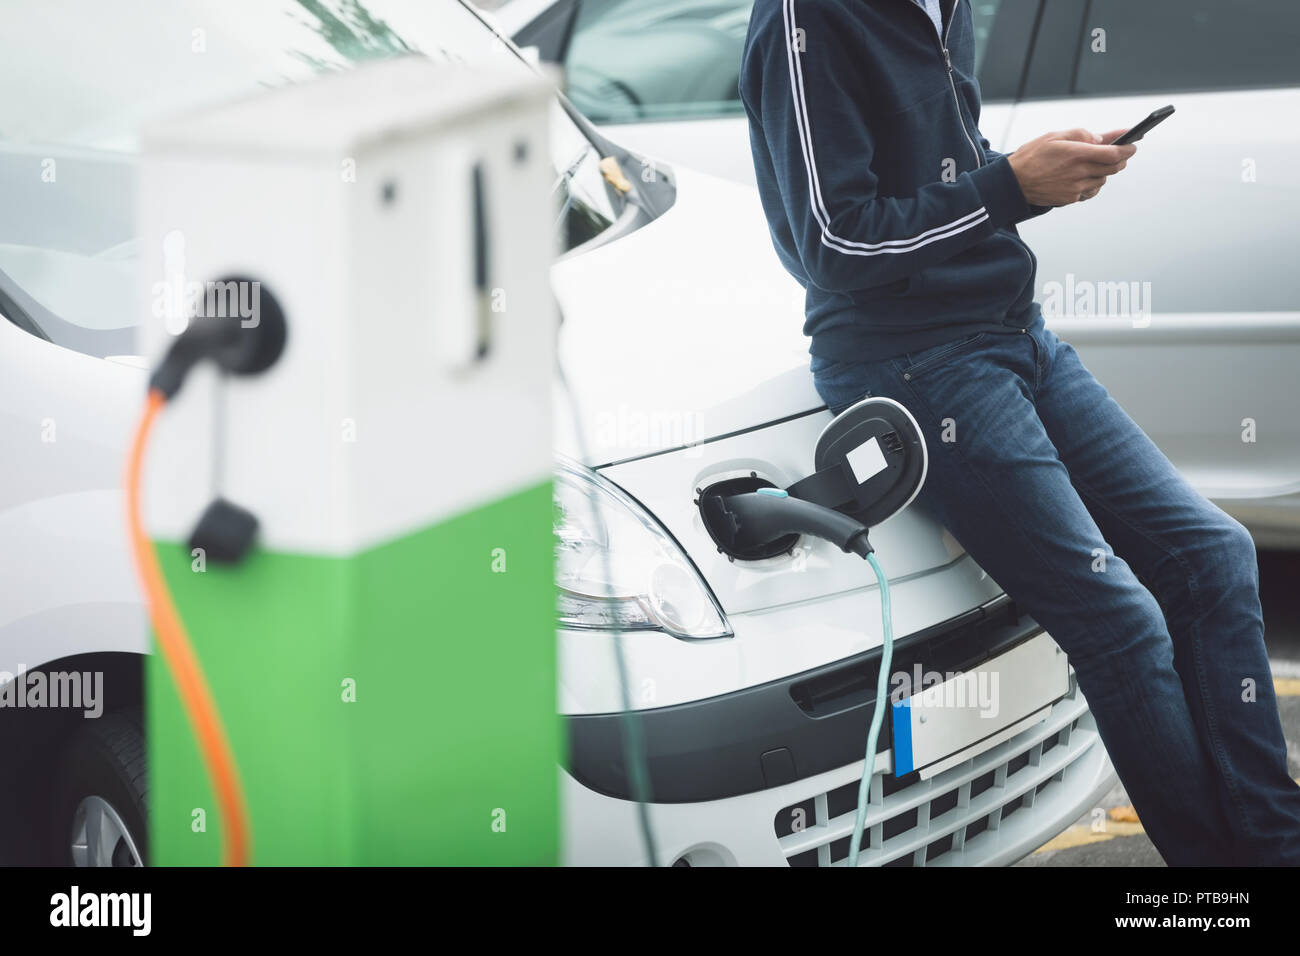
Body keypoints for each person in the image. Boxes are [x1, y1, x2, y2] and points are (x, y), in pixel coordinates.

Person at [740, 0, 1300, 865]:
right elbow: (835, 242)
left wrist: (1037, 174)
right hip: (914, 362)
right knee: (1120, 620)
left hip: (1014, 329)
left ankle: (1271, 845)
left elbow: (938, 176)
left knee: (1214, 556)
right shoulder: (804, 16)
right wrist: (1007, 188)